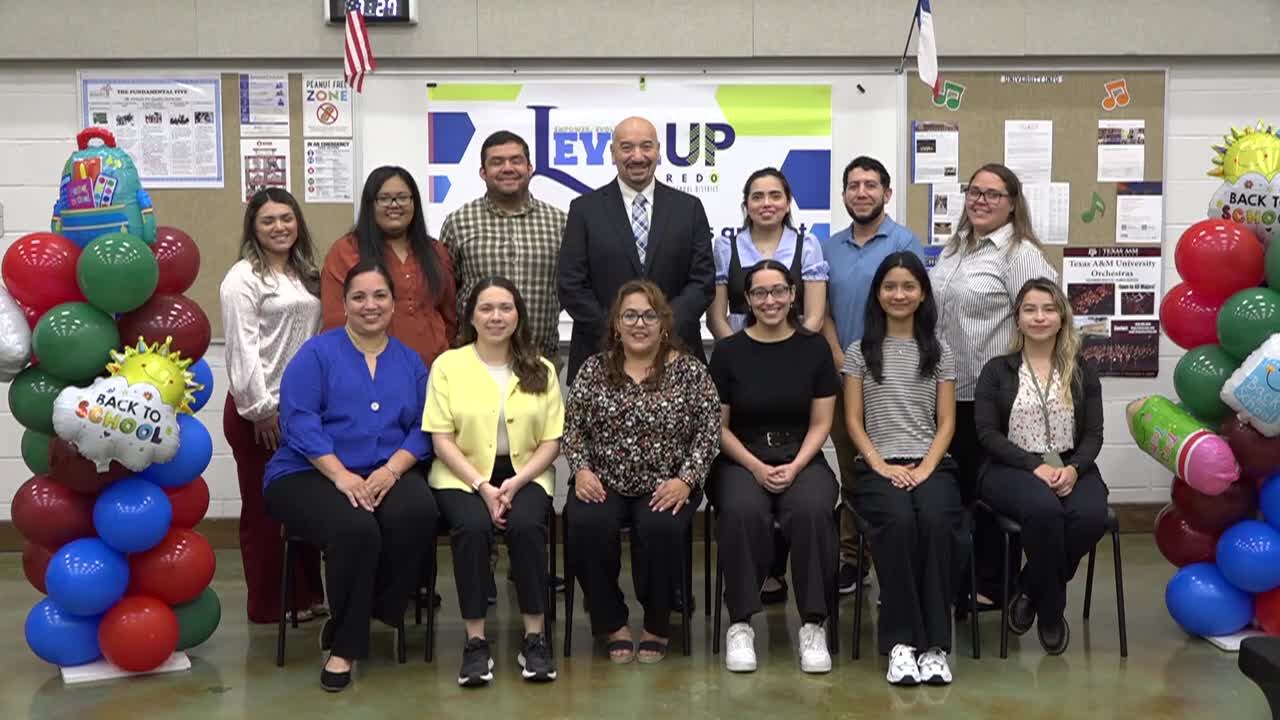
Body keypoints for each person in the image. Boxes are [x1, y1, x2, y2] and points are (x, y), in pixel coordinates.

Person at [264, 261, 439, 692]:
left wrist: (393, 469)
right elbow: (299, 421)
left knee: (418, 512)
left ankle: (372, 609)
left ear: (393, 304)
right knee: (356, 528)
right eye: (359, 297)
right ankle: (344, 646)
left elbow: (424, 427)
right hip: (308, 473)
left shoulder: (410, 361)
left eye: (380, 296)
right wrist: (340, 475)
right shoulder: (316, 354)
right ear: (343, 305)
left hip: (385, 470)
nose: (370, 305)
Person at [562, 280, 720, 664]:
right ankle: (610, 619)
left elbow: (709, 429)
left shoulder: (690, 371)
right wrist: (581, 470)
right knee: (585, 524)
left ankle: (657, 621)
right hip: (603, 480)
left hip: (669, 482)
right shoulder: (593, 369)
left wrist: (686, 479)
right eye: (630, 315)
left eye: (649, 315)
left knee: (660, 527)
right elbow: (572, 428)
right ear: (616, 324)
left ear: (664, 323)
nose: (639, 323)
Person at [422, 277, 564, 686]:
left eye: (505, 308)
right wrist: (483, 487)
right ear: (471, 315)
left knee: (526, 526)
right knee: (471, 527)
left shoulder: (541, 368)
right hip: (461, 474)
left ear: (519, 315)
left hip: (526, 474)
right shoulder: (448, 365)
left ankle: (535, 638)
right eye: (486, 308)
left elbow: (552, 441)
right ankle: (475, 642)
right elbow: (440, 439)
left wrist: (515, 484)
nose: (496, 317)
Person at [929, 163, 1058, 607]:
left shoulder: (1019, 254)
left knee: (989, 493)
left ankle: (994, 585)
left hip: (994, 397)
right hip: (950, 390)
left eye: (993, 194)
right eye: (974, 191)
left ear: (1011, 203)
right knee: (961, 491)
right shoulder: (956, 247)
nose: (981, 201)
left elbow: (1043, 322)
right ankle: (964, 579)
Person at [707, 168, 830, 605]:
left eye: (775, 195)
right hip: (743, 358)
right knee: (745, 493)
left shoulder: (807, 244)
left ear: (788, 200)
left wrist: (788, 349)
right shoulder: (725, 246)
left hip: (792, 353)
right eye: (757, 196)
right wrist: (742, 353)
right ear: (745, 204)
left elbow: (814, 317)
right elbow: (717, 316)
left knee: (804, 498)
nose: (766, 203)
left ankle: (801, 600)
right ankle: (754, 589)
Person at [709, 259, 838, 675]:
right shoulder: (728, 352)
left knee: (812, 511)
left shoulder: (813, 347)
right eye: (760, 293)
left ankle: (814, 624)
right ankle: (742, 623)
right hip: (740, 459)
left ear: (793, 294)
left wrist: (797, 465)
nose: (771, 301)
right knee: (743, 511)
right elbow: (719, 427)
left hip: (801, 457)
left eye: (779, 291)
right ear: (746, 299)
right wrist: (756, 466)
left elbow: (822, 422)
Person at [844, 251, 962, 686]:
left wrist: (926, 467)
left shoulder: (939, 351)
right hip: (879, 466)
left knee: (934, 520)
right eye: (890, 286)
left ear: (922, 294)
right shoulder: (859, 353)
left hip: (932, 464)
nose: (899, 294)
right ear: (878, 294)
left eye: (908, 286)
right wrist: (881, 465)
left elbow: (947, 421)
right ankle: (900, 644)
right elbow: (853, 421)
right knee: (896, 522)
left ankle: (934, 647)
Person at [975, 277, 1106, 656]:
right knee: (1045, 510)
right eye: (1030, 309)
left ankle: (1029, 589)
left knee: (1090, 516)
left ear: (1062, 318)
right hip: (1010, 467)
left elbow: (1094, 434)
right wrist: (1034, 467)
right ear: (1017, 318)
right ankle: (1051, 613)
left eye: (1049, 309)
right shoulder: (997, 371)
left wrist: (1074, 469)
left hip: (1070, 464)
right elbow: (987, 434)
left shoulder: (1081, 370)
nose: (1039, 317)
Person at [819, 156, 924, 594]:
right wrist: (840, 357)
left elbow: (917, 307)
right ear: (844, 194)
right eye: (853, 185)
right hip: (844, 375)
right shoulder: (827, 248)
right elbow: (819, 311)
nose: (861, 192)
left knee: (895, 469)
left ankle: (892, 565)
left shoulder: (905, 242)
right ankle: (852, 558)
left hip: (894, 380)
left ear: (887, 193)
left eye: (870, 185)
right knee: (853, 471)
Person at [220, 188, 325, 625]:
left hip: (302, 410)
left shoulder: (305, 274)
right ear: (254, 228)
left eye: (286, 218)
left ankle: (307, 594)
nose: (279, 227)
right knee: (265, 512)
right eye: (268, 221)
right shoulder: (242, 279)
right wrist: (260, 408)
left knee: (304, 505)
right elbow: (241, 348)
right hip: (260, 414)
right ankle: (270, 604)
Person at [558, 116, 715, 384]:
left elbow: (702, 281)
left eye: (646, 146)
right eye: (627, 147)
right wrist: (619, 331)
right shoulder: (584, 210)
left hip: (676, 356)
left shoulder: (689, 208)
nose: (638, 156)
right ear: (613, 153)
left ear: (658, 150)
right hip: (602, 357)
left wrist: (662, 328)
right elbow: (571, 285)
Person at [440, 130, 566, 363]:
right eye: (497, 162)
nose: (508, 168)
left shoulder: (559, 222)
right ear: (483, 172)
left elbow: (566, 288)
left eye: (516, 160)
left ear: (530, 168)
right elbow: (448, 292)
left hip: (539, 357)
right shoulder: (458, 222)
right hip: (474, 358)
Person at [322, 165, 457, 367]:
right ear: (370, 204)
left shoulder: (435, 251)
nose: (394, 205)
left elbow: (449, 316)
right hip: (370, 371)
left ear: (414, 203)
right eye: (384, 198)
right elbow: (335, 320)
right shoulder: (347, 251)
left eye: (403, 197)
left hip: (434, 371)